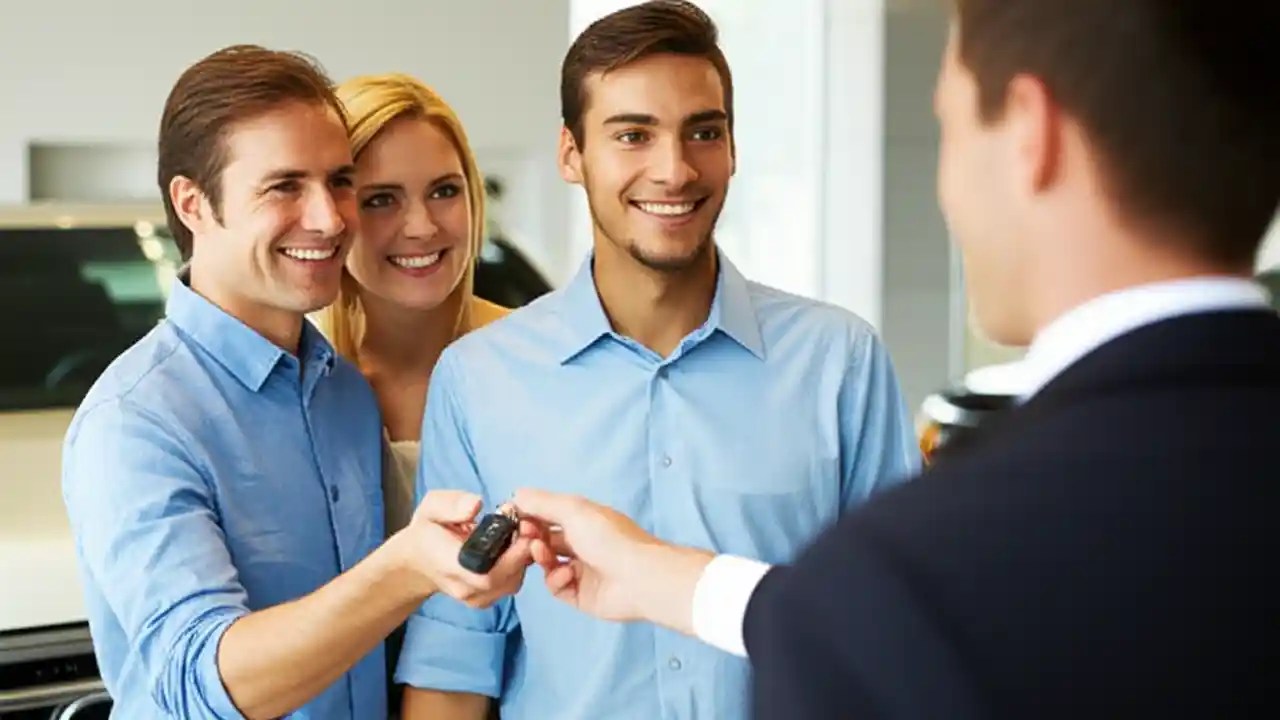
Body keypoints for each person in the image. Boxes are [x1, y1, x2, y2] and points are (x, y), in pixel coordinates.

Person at [511, 1, 1280, 717]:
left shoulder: (929, 563)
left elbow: (883, 624)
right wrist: (664, 575)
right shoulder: (907, 581)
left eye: (949, 126)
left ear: (1027, 136)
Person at [395, 2, 919, 718]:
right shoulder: (479, 379)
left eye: (703, 132)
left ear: (732, 148)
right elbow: (456, 660)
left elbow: (894, 630)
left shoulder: (839, 364)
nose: (674, 170)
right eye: (633, 135)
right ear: (571, 154)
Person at [60, 46, 532, 720]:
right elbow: (205, 685)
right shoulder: (134, 421)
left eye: (339, 181)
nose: (330, 218)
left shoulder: (340, 392)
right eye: (285, 186)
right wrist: (406, 569)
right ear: (192, 203)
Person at [312, 72, 511, 715]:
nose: (421, 226)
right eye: (381, 200)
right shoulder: (300, 386)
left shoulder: (540, 363)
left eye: (444, 191)